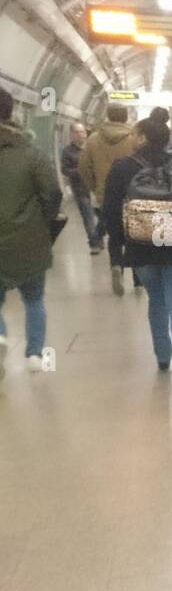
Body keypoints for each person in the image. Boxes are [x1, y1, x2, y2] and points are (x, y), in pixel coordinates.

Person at [100, 116, 172, 387]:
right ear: (167, 140)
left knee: (157, 302)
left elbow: (110, 212)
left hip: (141, 250)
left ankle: (163, 358)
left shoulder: (122, 168)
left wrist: (123, 239)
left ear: (141, 138)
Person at [0, 86, 61, 379]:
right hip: (29, 239)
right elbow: (52, 193)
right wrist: (43, 223)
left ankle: (0, 338)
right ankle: (35, 354)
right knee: (34, 299)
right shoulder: (32, 153)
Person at [80, 103, 141, 295]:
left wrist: (95, 186)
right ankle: (138, 281)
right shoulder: (134, 139)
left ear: (107, 116)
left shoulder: (93, 140)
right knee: (135, 235)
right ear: (125, 117)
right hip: (133, 194)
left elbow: (83, 166)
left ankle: (117, 266)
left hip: (106, 195)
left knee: (115, 235)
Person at [60, 123, 100, 253]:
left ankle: (98, 237)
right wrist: (81, 170)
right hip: (81, 189)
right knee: (88, 217)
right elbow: (65, 170)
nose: (80, 135)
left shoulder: (93, 148)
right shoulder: (67, 152)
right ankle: (94, 244)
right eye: (77, 132)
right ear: (71, 135)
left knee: (102, 216)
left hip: (97, 188)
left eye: (82, 132)